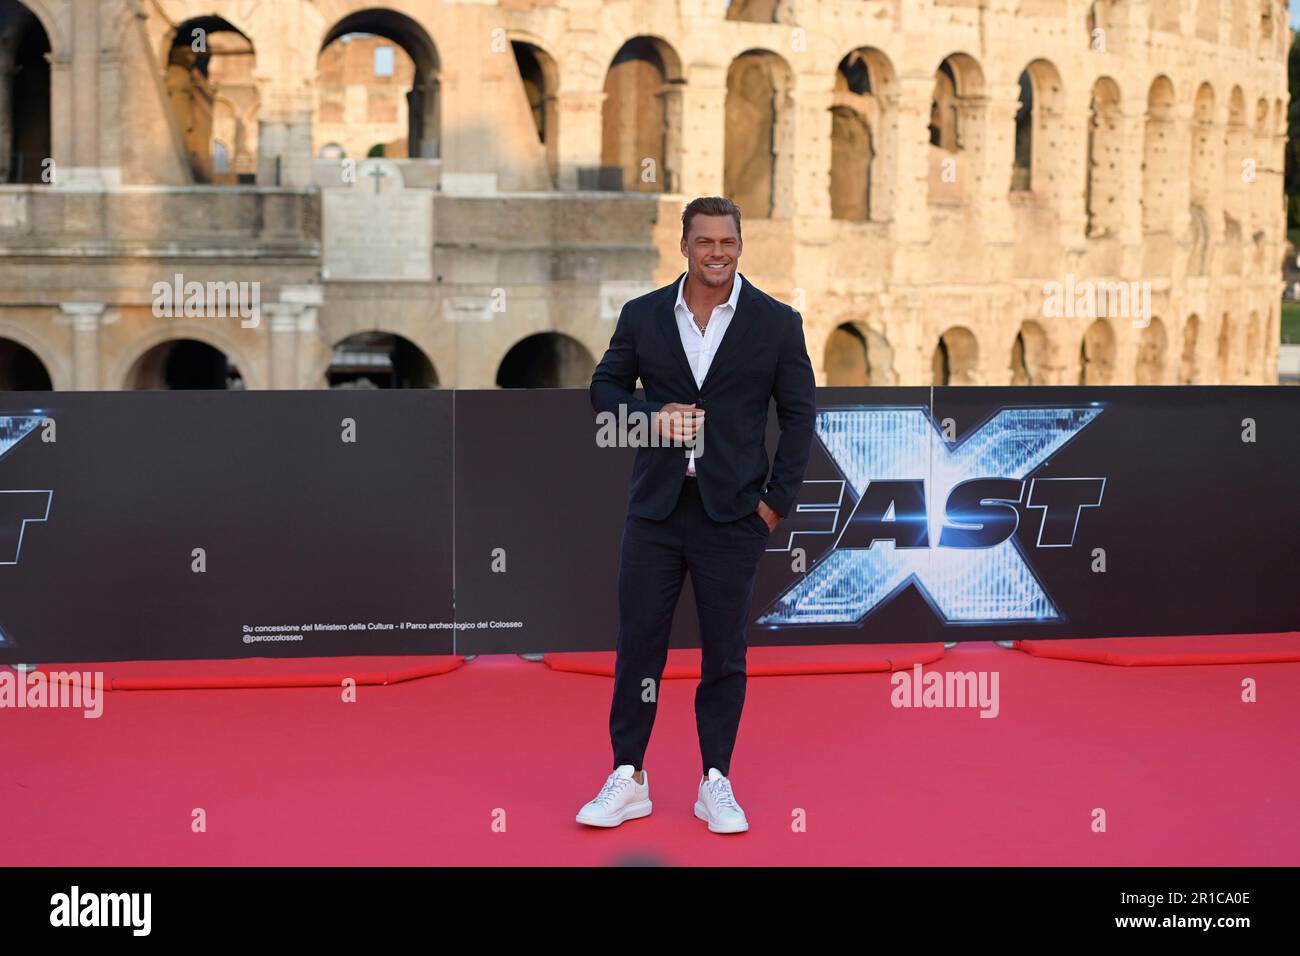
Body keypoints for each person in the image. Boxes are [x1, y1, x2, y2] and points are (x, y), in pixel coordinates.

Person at [579, 196, 816, 834]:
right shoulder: (644, 315)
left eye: (728, 242)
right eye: (705, 241)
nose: (717, 252)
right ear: (683, 245)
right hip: (655, 512)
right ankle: (628, 777)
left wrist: (774, 505)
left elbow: (799, 419)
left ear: (740, 246)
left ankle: (717, 780)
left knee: (725, 654)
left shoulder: (776, 323)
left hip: (733, 517)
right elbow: (602, 393)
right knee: (638, 649)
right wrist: (646, 419)